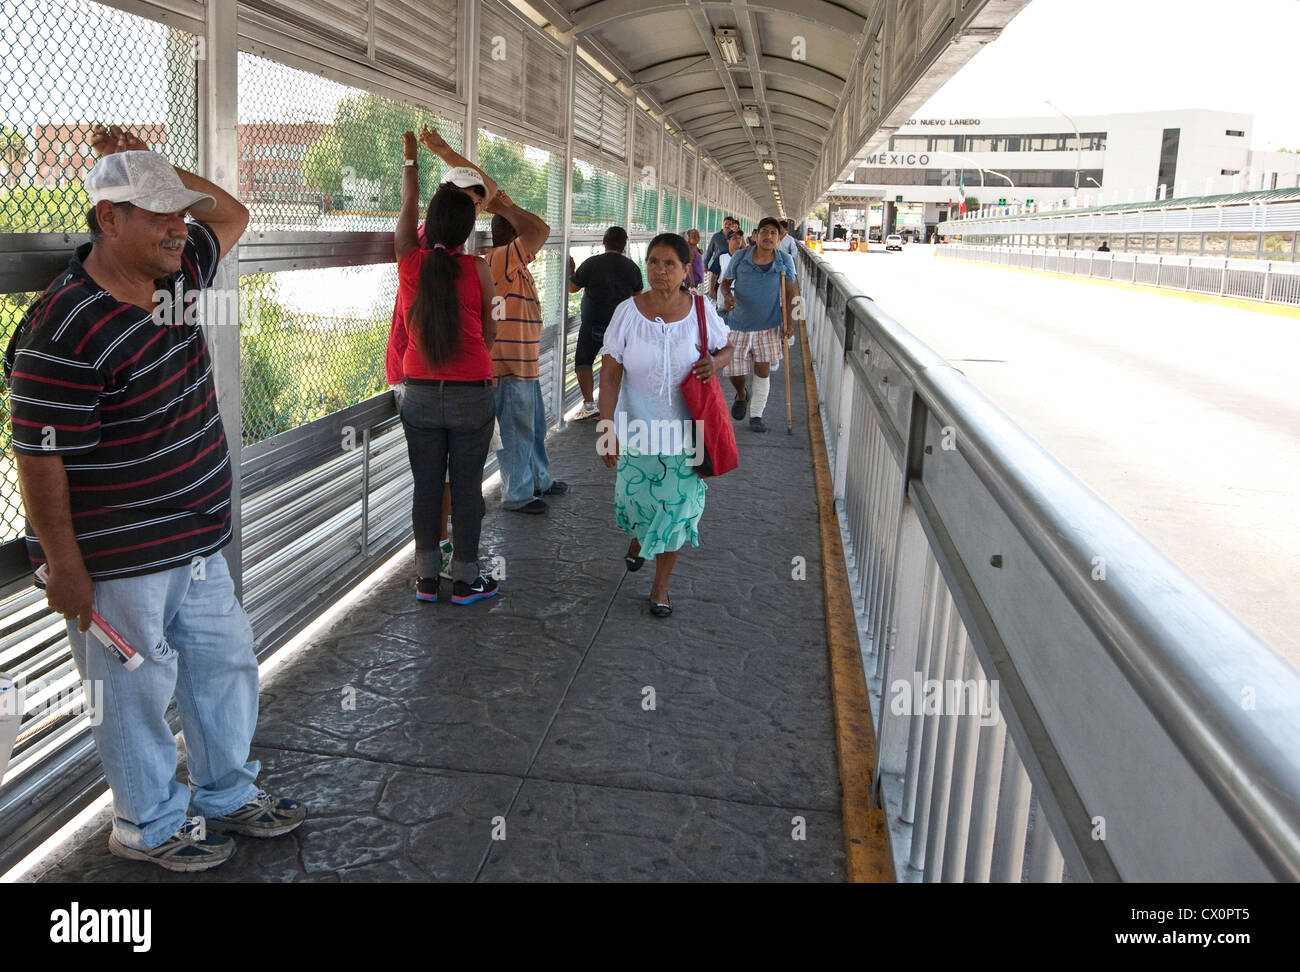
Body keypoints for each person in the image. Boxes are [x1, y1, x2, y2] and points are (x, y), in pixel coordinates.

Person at [2, 126, 303, 872]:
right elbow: (39, 459)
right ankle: (147, 823)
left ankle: (227, 794)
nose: (181, 228)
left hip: (197, 538)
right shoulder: (65, 327)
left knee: (223, 665)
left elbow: (231, 216)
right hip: (118, 558)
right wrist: (65, 568)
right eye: (161, 213)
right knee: (134, 693)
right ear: (109, 219)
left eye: (180, 213)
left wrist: (168, 170)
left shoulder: (177, 275)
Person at [596, 233, 733, 617]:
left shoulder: (702, 309)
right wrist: (607, 428)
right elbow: (609, 375)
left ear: (687, 268)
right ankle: (640, 540)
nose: (659, 270)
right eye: (653, 261)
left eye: (669, 263)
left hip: (686, 433)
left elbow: (726, 347)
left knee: (676, 509)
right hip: (637, 428)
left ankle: (660, 586)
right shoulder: (627, 312)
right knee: (636, 502)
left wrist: (716, 364)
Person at [386, 131, 498, 580]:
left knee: (426, 488)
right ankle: (467, 576)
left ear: (428, 224)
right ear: (468, 229)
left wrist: (411, 159)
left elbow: (407, 205)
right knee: (467, 489)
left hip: (420, 395)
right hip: (473, 393)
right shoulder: (479, 270)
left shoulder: (409, 263)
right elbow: (490, 331)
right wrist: (471, 360)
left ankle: (427, 579)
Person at [482, 190, 568, 513]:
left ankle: (538, 480)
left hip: (524, 364)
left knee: (533, 427)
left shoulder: (516, 266)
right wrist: (509, 207)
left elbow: (536, 231)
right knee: (516, 430)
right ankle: (517, 493)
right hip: (508, 368)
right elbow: (540, 230)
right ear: (513, 236)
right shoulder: (501, 259)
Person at [720, 216, 798, 433]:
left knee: (763, 370)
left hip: (769, 325)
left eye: (774, 233)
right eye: (764, 231)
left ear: (780, 237)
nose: (769, 236)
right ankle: (741, 393)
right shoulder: (741, 258)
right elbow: (725, 284)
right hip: (739, 324)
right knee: (734, 372)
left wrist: (788, 323)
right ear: (755, 235)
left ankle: (756, 415)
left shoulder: (784, 261)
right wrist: (727, 296)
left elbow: (790, 291)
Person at [568, 226, 643, 420]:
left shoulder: (592, 263)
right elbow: (637, 296)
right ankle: (614, 404)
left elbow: (572, 288)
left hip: (593, 322)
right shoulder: (632, 267)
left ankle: (590, 404)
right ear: (624, 245)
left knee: (583, 362)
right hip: (620, 325)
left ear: (604, 240)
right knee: (613, 364)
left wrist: (571, 271)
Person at [702, 215, 737, 280]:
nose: (727, 225)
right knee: (715, 284)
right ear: (723, 224)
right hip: (717, 265)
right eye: (725, 223)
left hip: (729, 265)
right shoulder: (716, 237)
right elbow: (709, 251)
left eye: (729, 224)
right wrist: (705, 264)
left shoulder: (734, 237)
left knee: (727, 285)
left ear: (732, 226)